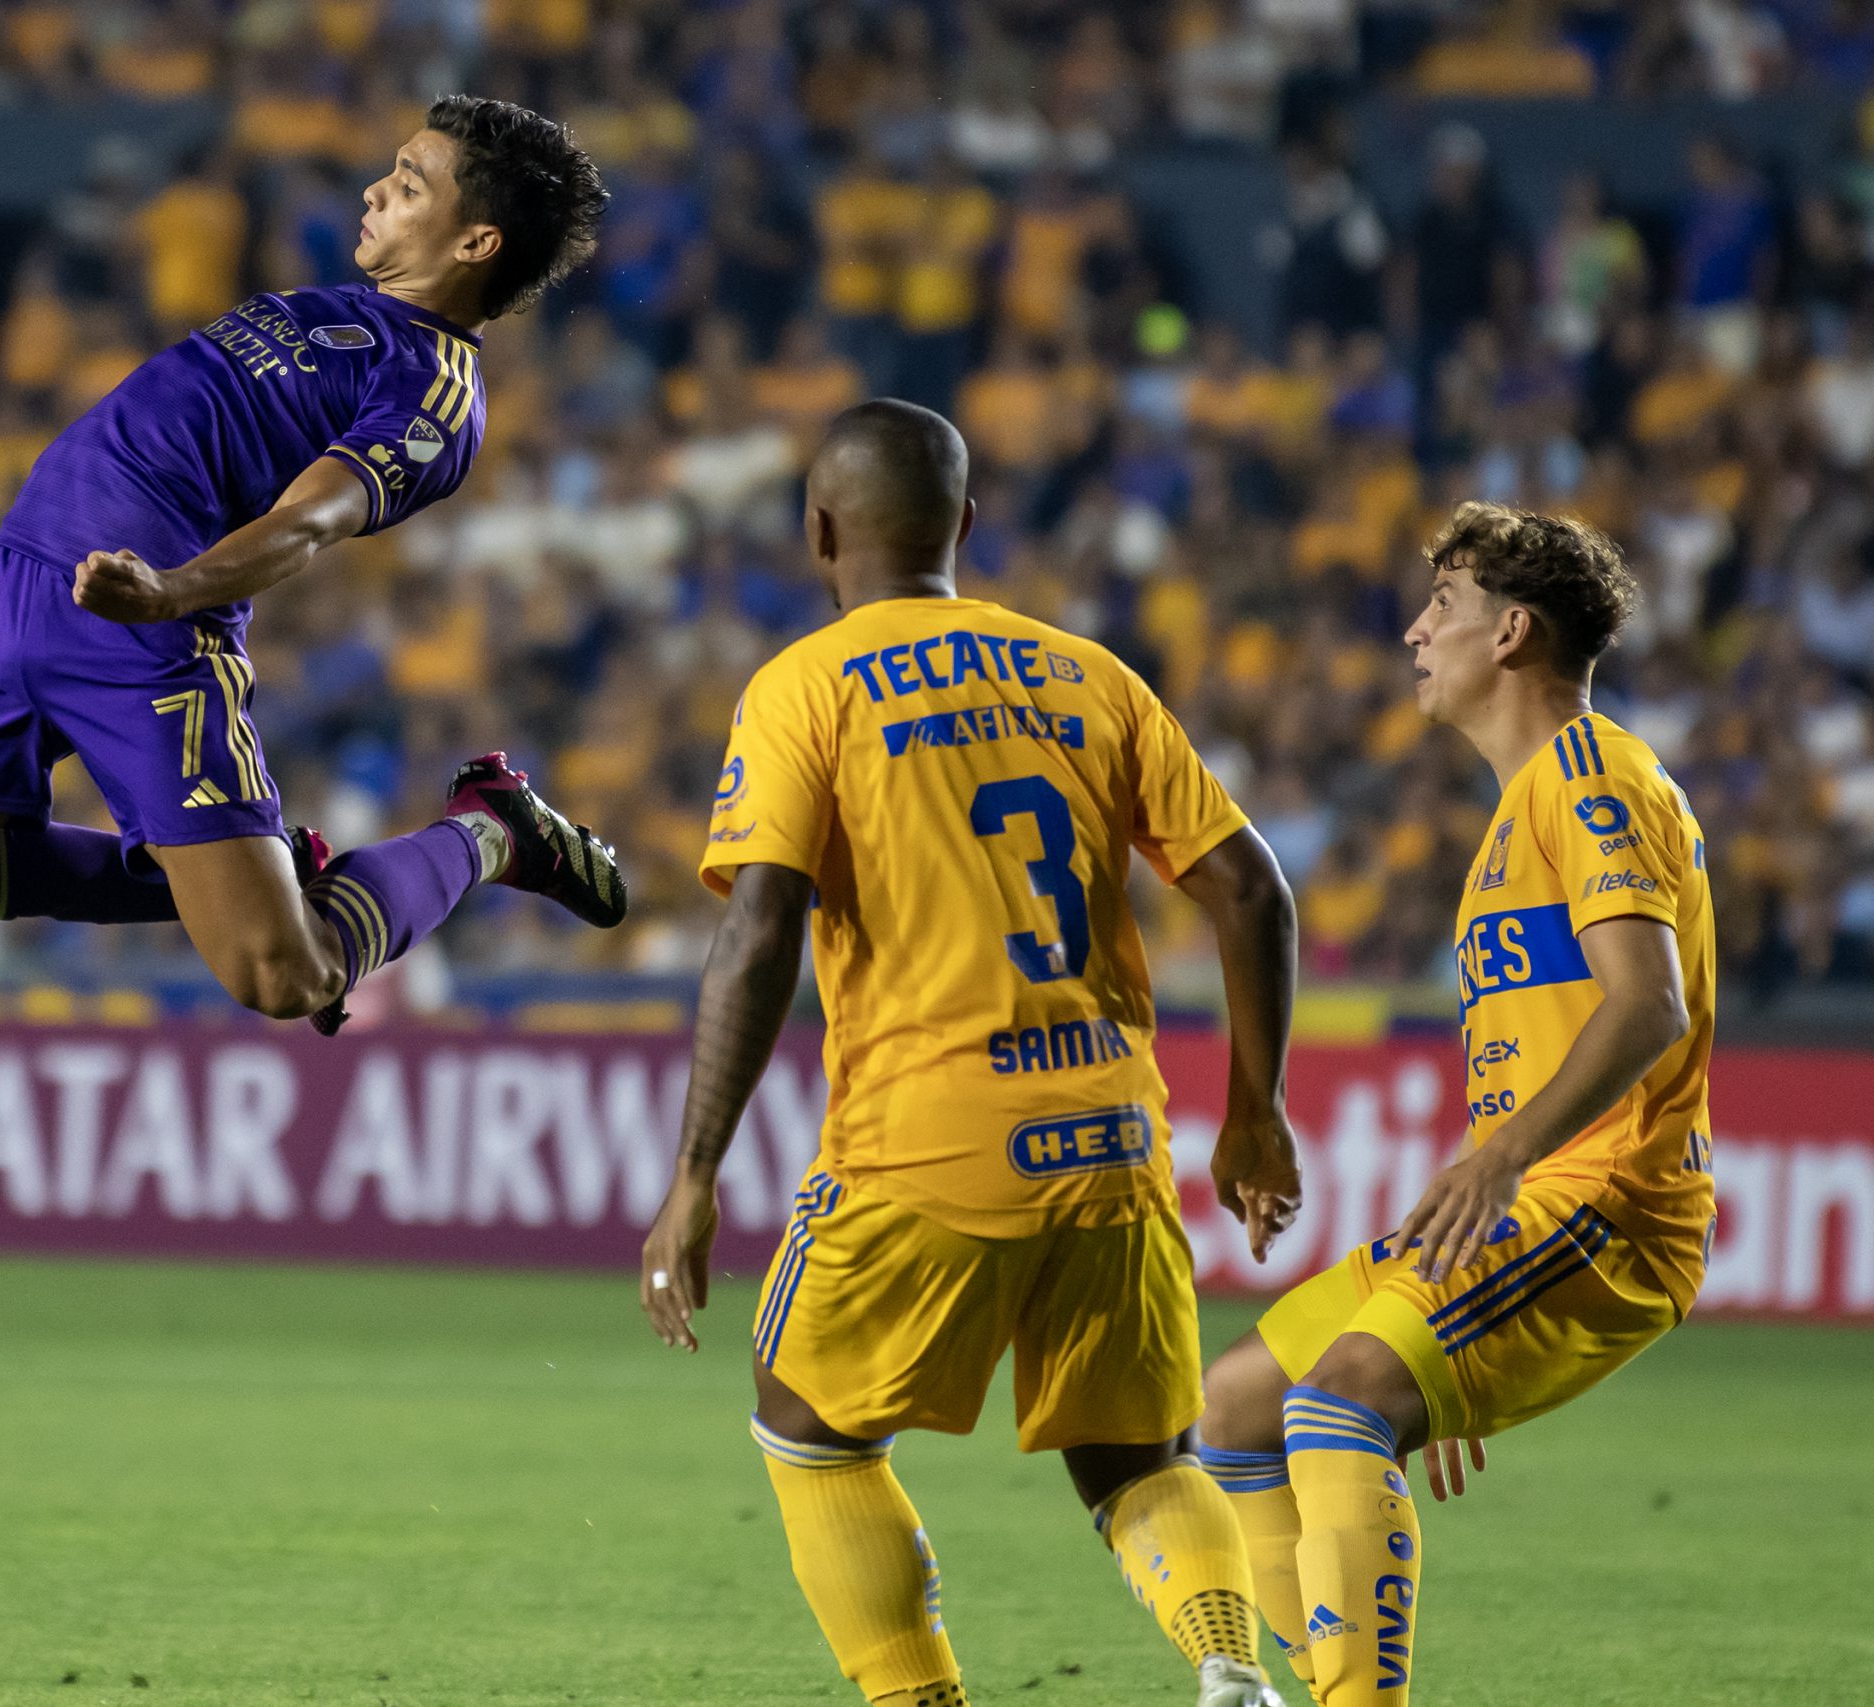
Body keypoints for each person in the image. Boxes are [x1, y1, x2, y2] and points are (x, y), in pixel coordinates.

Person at [641, 400, 1306, 1707]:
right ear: (967, 522)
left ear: (819, 526)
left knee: (806, 1426)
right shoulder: (1086, 673)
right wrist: (1256, 1111)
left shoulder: (805, 684)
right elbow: (1251, 890)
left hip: (922, 1144)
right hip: (1113, 1137)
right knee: (1138, 1452)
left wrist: (694, 1170)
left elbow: (761, 922)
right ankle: (1231, 1660)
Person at [0, 97, 624, 1032]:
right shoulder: (341, 307)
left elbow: (308, 523)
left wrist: (172, 593)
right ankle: (233, 875)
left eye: (411, 185)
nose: (375, 188)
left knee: (289, 976)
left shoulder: (438, 394)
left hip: (149, 638)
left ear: (475, 244)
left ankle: (490, 830)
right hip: (21, 583)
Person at [1194, 503, 1715, 1707]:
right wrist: (1447, 1341)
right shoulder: (1518, 809)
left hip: (1608, 1204)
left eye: (1443, 608)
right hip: (1530, 1213)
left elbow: (1649, 1004)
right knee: (1236, 1407)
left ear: (1512, 633)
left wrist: (1500, 1170)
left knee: (1335, 1401)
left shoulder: (1589, 775)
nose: (1416, 633)